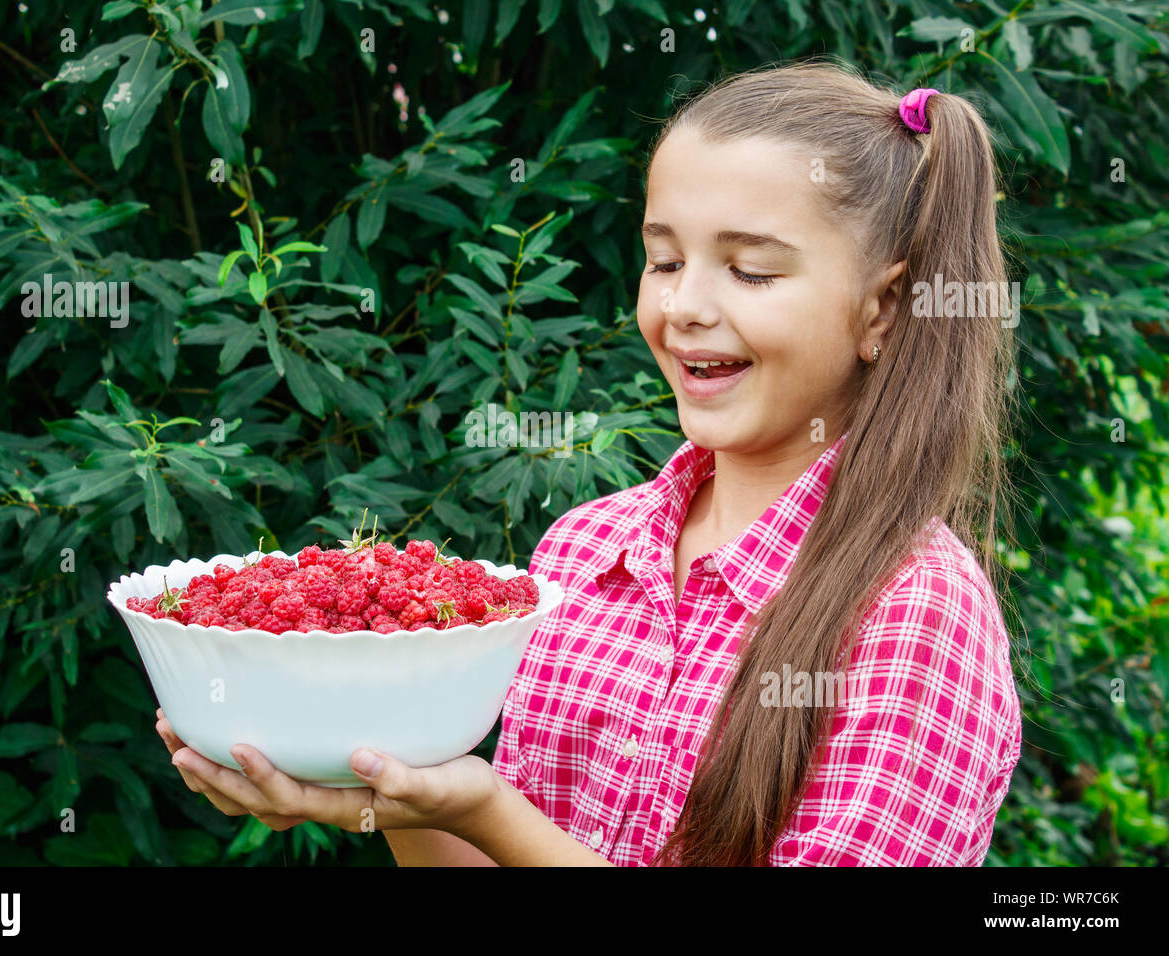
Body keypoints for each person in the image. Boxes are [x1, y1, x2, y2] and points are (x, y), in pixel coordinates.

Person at [156, 59, 1024, 866]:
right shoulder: (582, 553)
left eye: (749, 271)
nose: (685, 306)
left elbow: (508, 825)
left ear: (882, 311)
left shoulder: (916, 614)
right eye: (665, 260)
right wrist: (393, 789)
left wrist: (491, 811)